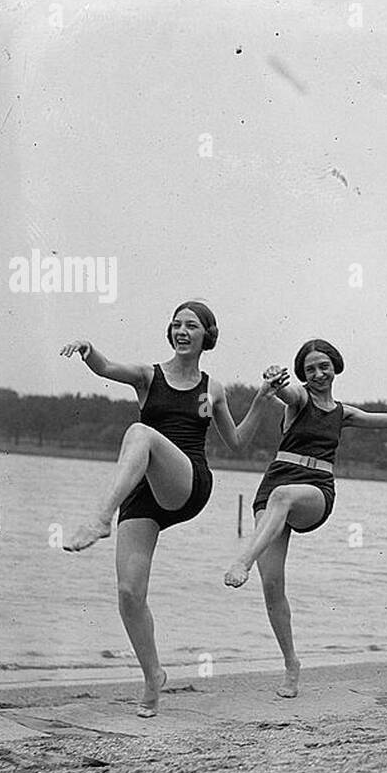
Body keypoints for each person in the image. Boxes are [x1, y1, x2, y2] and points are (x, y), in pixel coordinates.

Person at [60, 300, 284, 717]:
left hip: (188, 482)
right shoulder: (148, 376)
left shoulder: (212, 389)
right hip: (143, 494)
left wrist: (261, 399)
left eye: (192, 326)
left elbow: (236, 443)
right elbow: (108, 368)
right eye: (177, 325)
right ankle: (152, 676)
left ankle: (99, 517)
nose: (182, 331)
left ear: (207, 335)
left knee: (140, 433)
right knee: (129, 592)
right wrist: (88, 349)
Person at [223, 338, 387, 699]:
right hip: (273, 487)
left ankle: (243, 557)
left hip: (315, 491)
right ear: (302, 375)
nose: (318, 374)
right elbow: (288, 394)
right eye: (310, 370)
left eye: (323, 366)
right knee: (272, 584)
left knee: (284, 496)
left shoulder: (343, 413)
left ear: (335, 366)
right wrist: (276, 379)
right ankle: (291, 664)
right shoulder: (299, 399)